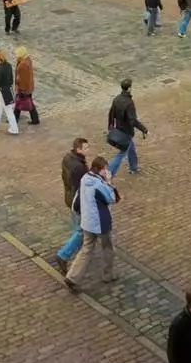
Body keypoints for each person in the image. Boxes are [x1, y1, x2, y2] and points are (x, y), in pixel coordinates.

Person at [64, 156, 118, 291]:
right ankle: (108, 274)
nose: (107, 171)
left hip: (87, 221)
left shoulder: (85, 179)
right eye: (105, 169)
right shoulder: (98, 185)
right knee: (108, 248)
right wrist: (109, 182)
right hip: (100, 223)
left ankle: (72, 276)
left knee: (86, 249)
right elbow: (112, 198)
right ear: (101, 170)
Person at [52, 137, 91, 271]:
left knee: (78, 228)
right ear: (78, 149)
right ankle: (64, 255)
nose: (88, 150)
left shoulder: (68, 158)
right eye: (86, 148)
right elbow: (84, 187)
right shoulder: (79, 167)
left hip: (70, 197)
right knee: (81, 230)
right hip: (78, 201)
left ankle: (78, 251)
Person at [107, 78, 148, 174]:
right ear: (129, 88)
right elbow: (133, 120)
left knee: (131, 148)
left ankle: (133, 168)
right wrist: (144, 129)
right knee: (122, 154)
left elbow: (111, 113)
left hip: (119, 128)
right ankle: (108, 172)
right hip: (126, 132)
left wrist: (110, 126)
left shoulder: (116, 99)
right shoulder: (129, 103)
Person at [13, 46, 39, 126]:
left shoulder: (23, 65)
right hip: (29, 87)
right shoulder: (28, 60)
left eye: (17, 54)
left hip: (24, 88)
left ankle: (14, 120)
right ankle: (35, 119)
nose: (16, 56)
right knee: (29, 103)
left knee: (18, 104)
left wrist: (20, 88)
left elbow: (22, 79)